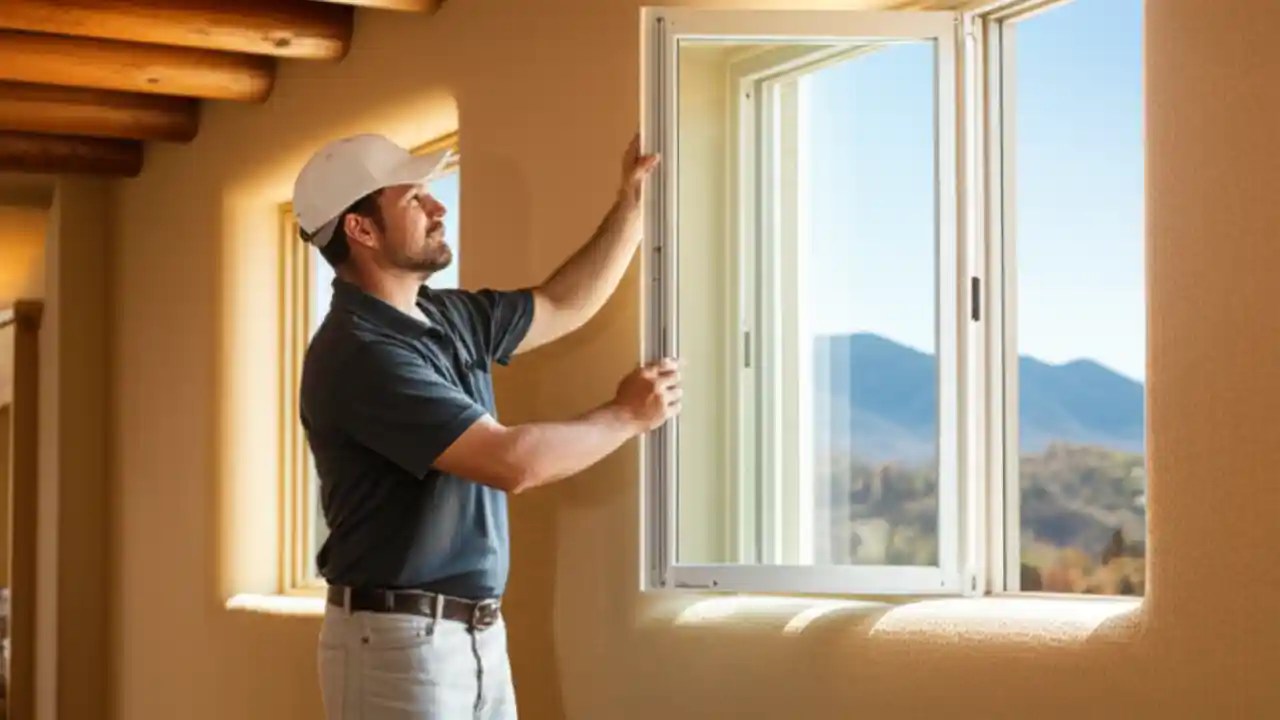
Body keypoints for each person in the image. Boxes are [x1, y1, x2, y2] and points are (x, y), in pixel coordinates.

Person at [291, 132, 679, 720]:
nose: (438, 207)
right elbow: (510, 461)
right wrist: (626, 415)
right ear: (361, 229)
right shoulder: (359, 353)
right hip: (398, 649)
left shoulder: (445, 315)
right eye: (415, 198)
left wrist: (631, 206)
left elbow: (562, 304)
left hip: (471, 637)